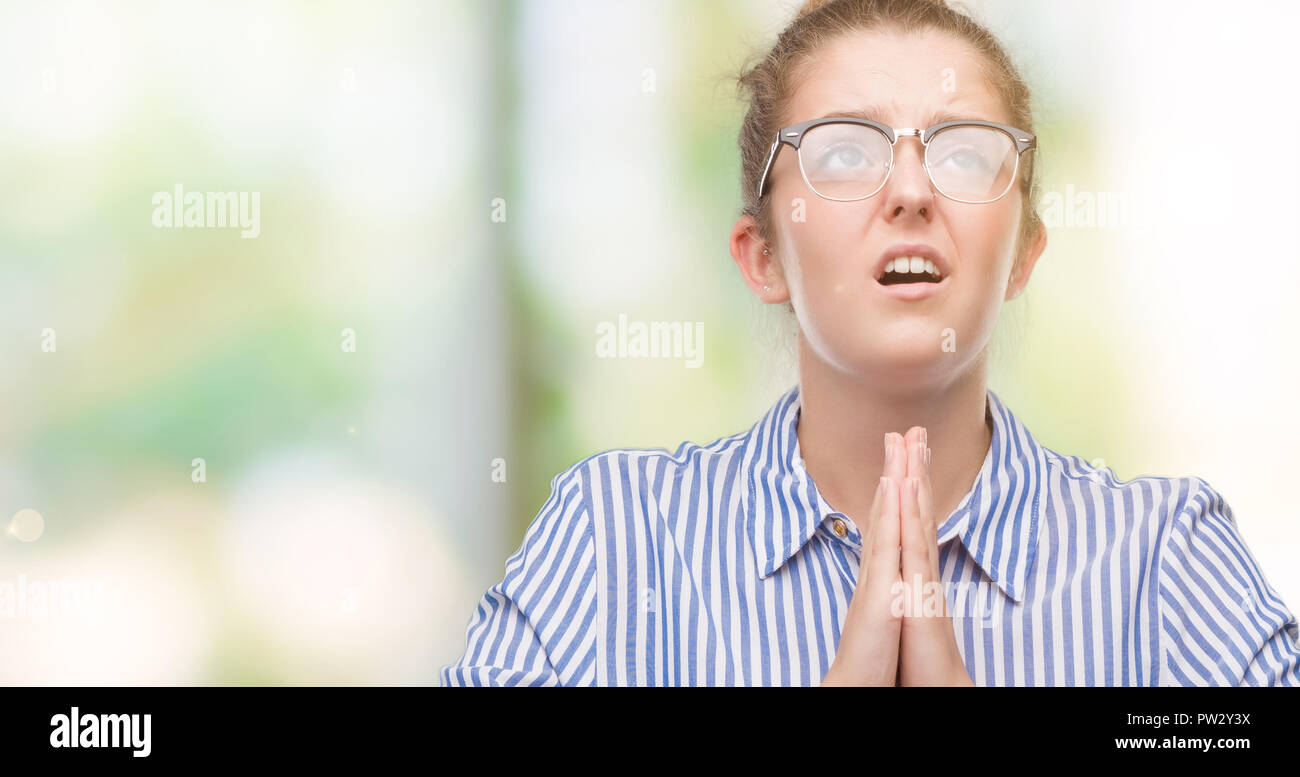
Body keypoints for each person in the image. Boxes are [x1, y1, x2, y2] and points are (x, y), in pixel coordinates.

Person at [440, 0, 1300, 686]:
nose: (914, 189)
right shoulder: (618, 538)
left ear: (1023, 254)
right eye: (846, 151)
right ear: (764, 255)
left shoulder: (1163, 558)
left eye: (965, 153)